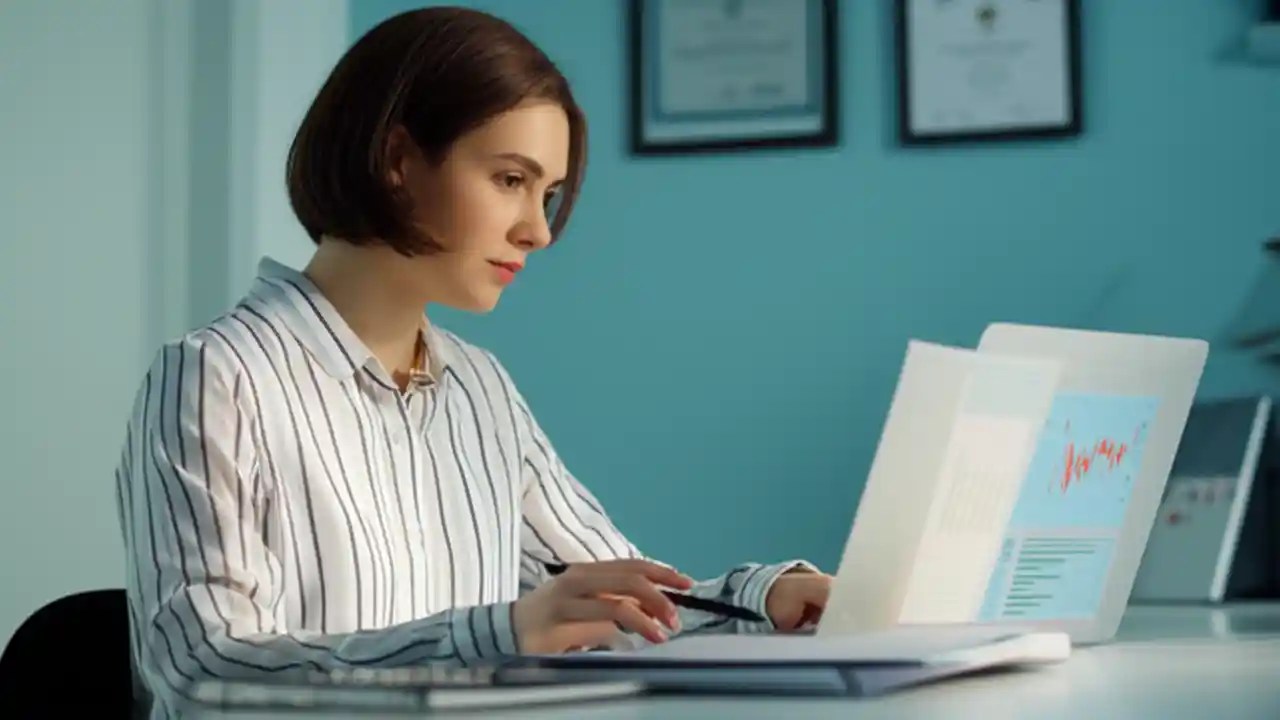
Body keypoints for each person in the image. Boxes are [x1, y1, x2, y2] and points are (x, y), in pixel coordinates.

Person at [115, 6, 832, 717]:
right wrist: (502, 635)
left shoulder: (480, 389)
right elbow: (201, 671)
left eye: (547, 193)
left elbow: (619, 605)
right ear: (398, 161)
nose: (540, 231)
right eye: (510, 180)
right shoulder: (215, 379)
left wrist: (765, 600)